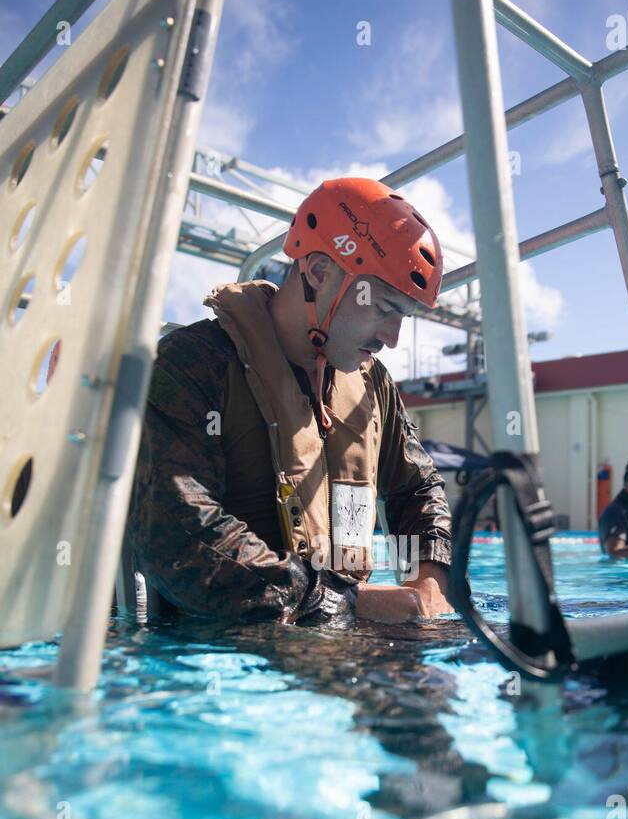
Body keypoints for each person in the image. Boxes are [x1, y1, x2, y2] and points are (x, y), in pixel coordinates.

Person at [130, 177, 453, 625]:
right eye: (383, 309)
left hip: (347, 637)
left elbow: (417, 490)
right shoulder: (192, 363)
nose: (393, 339)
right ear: (319, 272)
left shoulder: (373, 386)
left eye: (404, 316)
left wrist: (426, 581)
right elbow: (176, 535)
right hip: (223, 653)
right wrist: (344, 603)